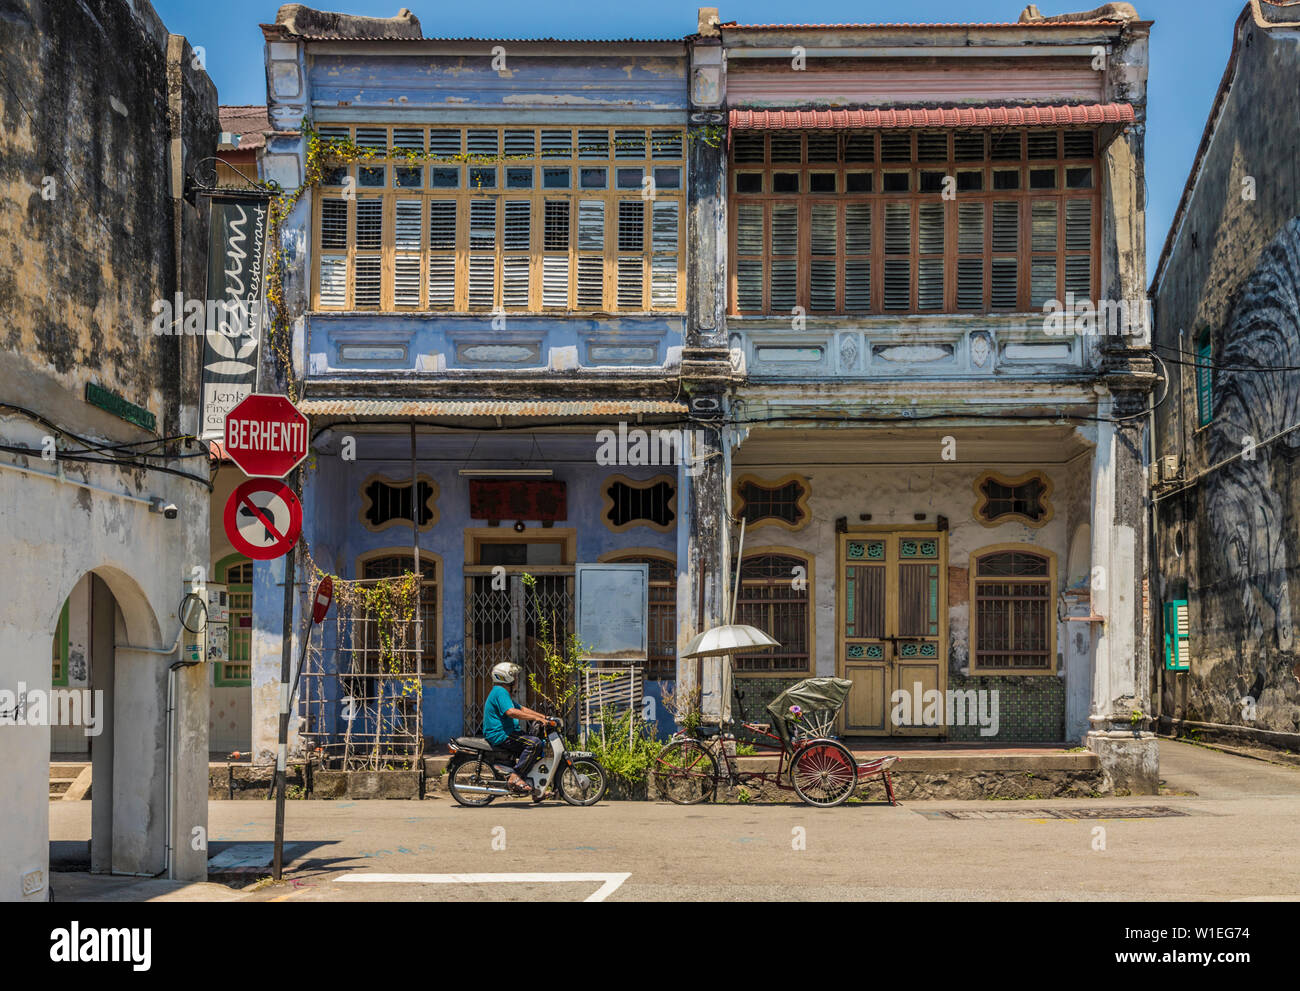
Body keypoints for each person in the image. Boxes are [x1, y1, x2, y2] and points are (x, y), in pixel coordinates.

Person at [483, 662, 556, 794]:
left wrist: (543, 717)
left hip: (508, 733)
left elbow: (521, 708)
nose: (517, 679)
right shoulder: (500, 691)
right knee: (534, 744)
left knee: (535, 750)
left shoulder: (502, 692)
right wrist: (536, 719)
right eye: (514, 676)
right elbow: (511, 712)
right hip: (501, 734)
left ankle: (535, 790)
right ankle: (515, 776)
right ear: (506, 678)